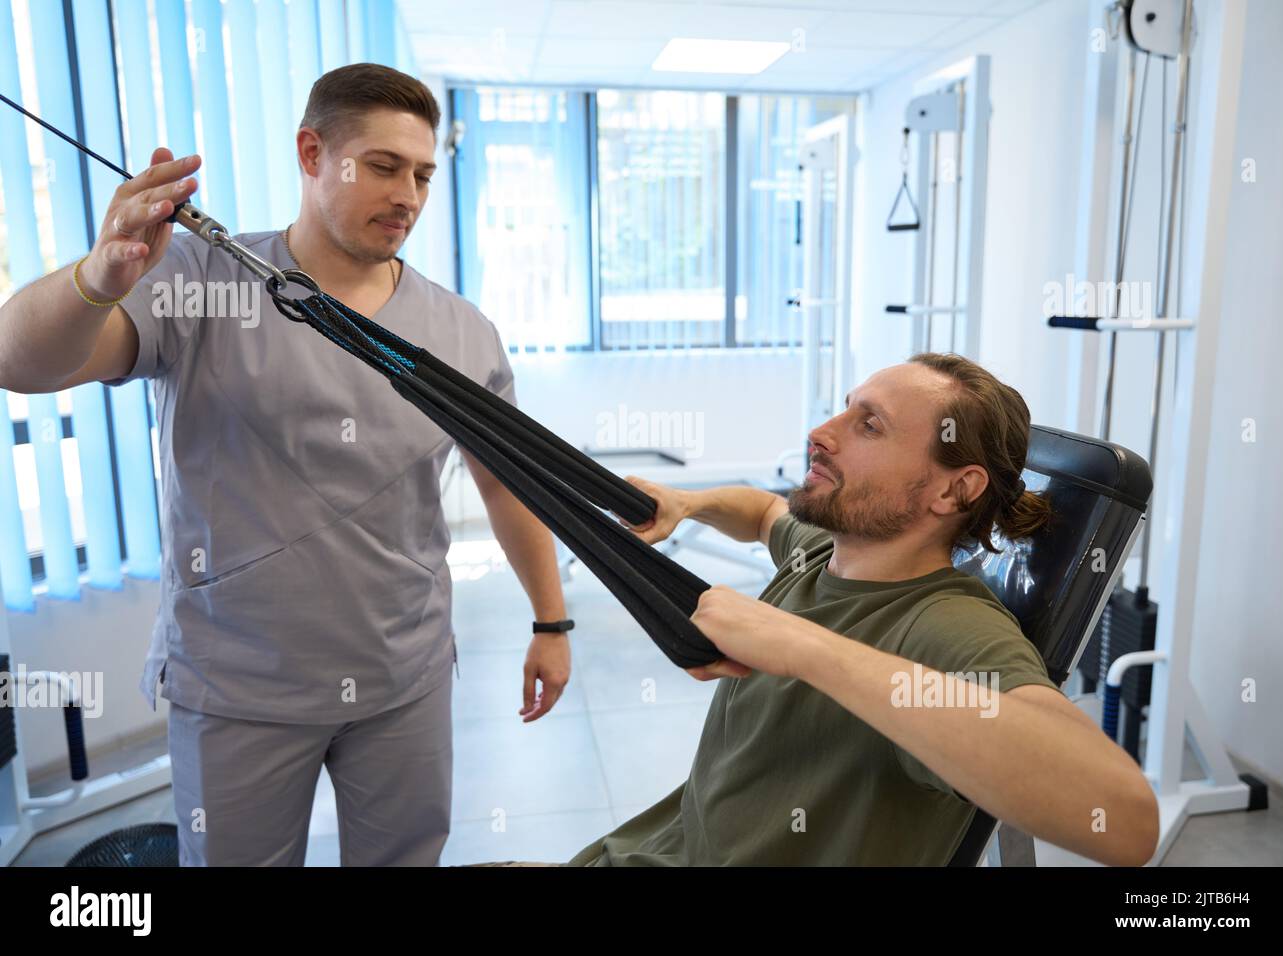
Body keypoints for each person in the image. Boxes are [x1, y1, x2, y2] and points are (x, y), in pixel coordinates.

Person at [0, 63, 573, 866]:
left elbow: (506, 481)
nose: (408, 194)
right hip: (240, 689)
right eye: (382, 167)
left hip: (400, 678)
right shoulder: (202, 282)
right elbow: (18, 361)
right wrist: (98, 280)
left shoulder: (461, 331)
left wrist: (551, 619)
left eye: (422, 174)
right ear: (312, 154)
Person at [562, 353, 1159, 866]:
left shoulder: (947, 627)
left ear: (954, 490)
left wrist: (806, 647)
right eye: (846, 408)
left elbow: (1124, 819)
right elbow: (762, 511)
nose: (822, 431)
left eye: (868, 425)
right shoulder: (824, 550)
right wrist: (688, 504)